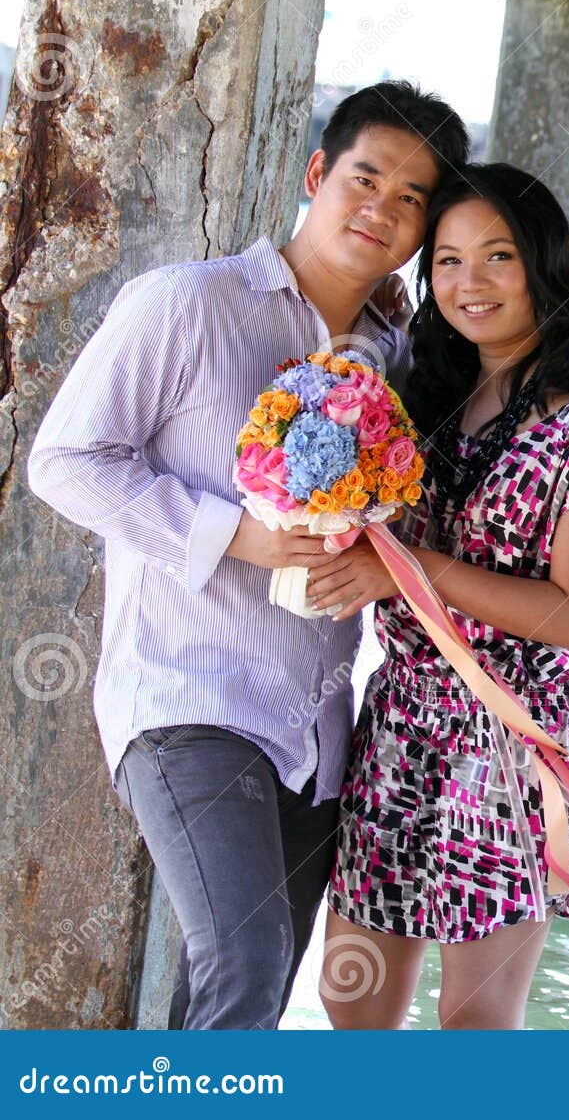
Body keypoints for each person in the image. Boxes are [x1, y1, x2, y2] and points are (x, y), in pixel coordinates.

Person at [25, 80, 470, 1029]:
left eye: (411, 199)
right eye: (364, 180)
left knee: (243, 996)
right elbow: (64, 460)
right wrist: (235, 533)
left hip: (315, 732)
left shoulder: (394, 359)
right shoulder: (188, 303)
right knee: (246, 958)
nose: (381, 209)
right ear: (316, 174)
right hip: (187, 696)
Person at [306, 162, 569, 1029]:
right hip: (404, 715)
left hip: (515, 730)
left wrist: (408, 570)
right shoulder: (431, 389)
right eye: (448, 261)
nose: (470, 282)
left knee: (475, 1020)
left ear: (543, 263)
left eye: (497, 256)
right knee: (350, 994)